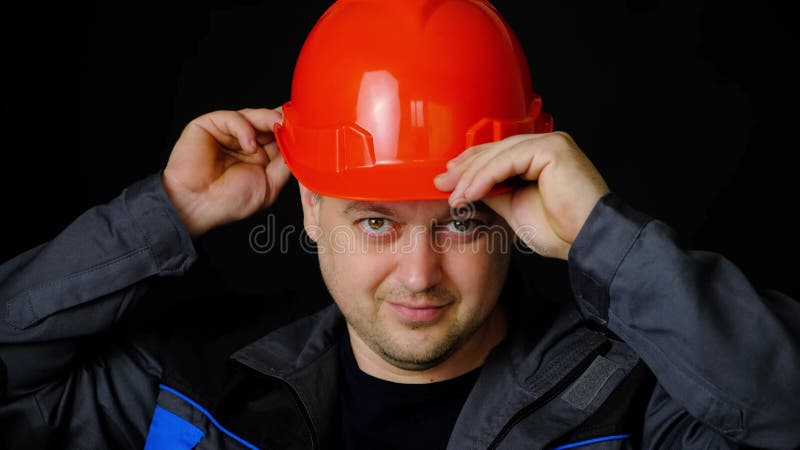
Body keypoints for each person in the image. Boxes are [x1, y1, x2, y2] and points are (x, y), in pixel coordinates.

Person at [2, 1, 799, 449]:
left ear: (513, 210)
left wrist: (603, 235)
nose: (419, 274)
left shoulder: (631, 406)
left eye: (458, 222)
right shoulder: (187, 390)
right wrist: (165, 216)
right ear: (310, 208)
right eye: (377, 222)